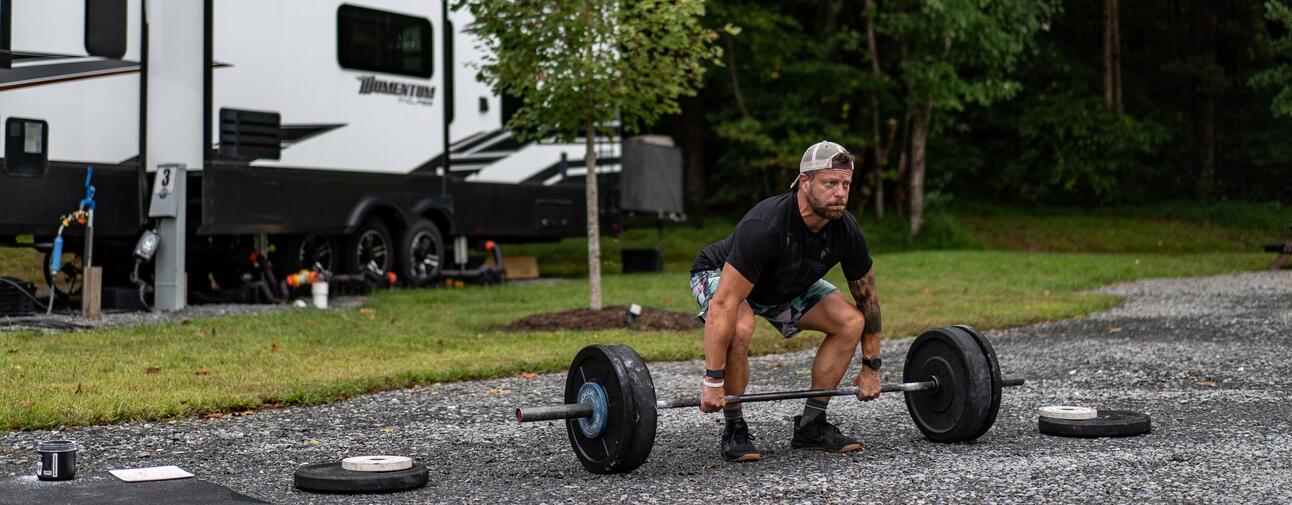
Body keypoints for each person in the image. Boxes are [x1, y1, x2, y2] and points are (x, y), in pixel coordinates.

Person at [689, 140, 883, 462]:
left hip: (785, 284)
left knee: (850, 322)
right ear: (804, 182)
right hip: (721, 276)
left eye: (846, 184)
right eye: (830, 183)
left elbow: (869, 300)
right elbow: (723, 305)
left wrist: (871, 366)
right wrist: (713, 380)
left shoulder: (847, 231)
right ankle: (734, 428)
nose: (840, 193)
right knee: (741, 326)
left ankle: (811, 426)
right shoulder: (767, 225)